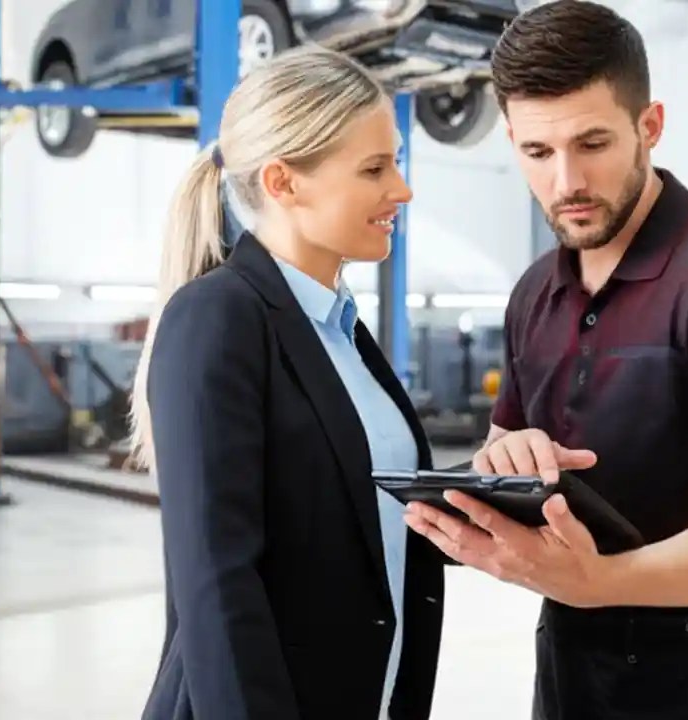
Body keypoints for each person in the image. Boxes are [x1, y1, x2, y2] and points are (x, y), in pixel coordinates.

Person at [402, 2, 688, 719]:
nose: (565, 179)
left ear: (649, 126)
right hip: (569, 656)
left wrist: (603, 580)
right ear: (510, 138)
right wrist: (511, 457)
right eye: (537, 153)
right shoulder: (536, 290)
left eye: (592, 142)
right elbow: (502, 444)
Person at [131, 46, 446, 720]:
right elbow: (219, 587)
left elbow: (360, 515)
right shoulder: (218, 318)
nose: (402, 188)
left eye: (395, 161)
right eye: (375, 168)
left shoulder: (339, 329)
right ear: (283, 182)